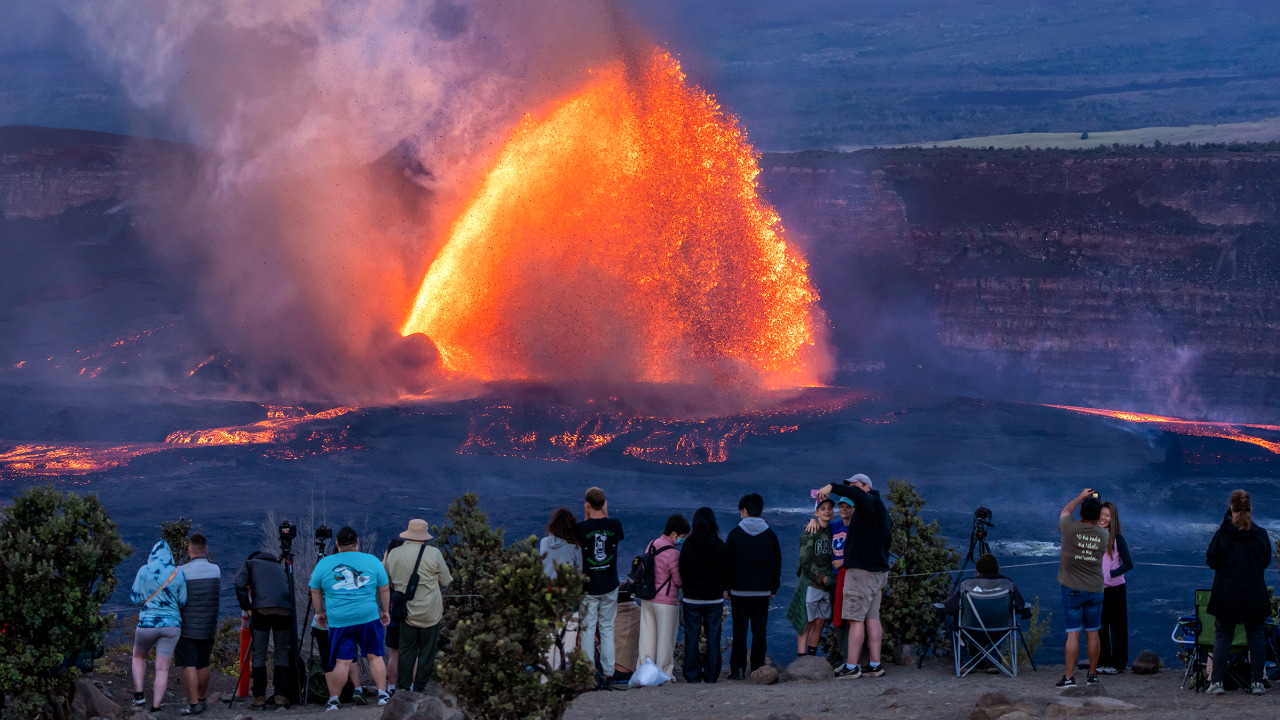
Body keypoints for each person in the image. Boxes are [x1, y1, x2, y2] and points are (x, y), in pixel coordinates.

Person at [309, 526, 392, 710]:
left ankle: (334, 700)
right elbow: (384, 588)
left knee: (343, 661)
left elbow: (314, 589)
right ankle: (382, 694)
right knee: (374, 656)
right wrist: (384, 610)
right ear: (358, 543)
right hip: (368, 617)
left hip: (339, 620)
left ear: (337, 544)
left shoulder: (324, 564)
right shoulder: (371, 561)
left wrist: (320, 612)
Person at [818, 474, 891, 679]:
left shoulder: (869, 502)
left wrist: (831, 485)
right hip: (878, 571)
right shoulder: (880, 510)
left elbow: (855, 494)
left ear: (867, 487)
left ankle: (852, 666)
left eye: (856, 486)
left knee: (855, 618)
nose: (853, 489)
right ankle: (875, 664)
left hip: (861, 572)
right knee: (872, 617)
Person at [1206, 489, 1271, 696]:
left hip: (1227, 595)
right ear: (1251, 509)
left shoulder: (1223, 534)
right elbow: (1266, 560)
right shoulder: (1260, 534)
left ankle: (1216, 683)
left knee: (1223, 636)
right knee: (1257, 637)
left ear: (1231, 509)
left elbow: (1211, 561)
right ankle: (1257, 683)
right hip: (1254, 594)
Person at [385, 519, 452, 693]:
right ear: (425, 536)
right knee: (427, 652)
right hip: (431, 611)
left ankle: (402, 687)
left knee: (406, 651)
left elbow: (388, 582)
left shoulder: (394, 554)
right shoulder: (434, 553)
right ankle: (420, 687)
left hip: (406, 611)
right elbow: (445, 580)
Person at [724, 493, 782, 680]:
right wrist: (773, 587)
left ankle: (737, 670)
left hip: (739, 590)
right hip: (762, 591)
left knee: (739, 631)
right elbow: (776, 563)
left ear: (745, 511)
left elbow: (727, 563)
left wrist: (727, 587)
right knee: (760, 631)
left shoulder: (734, 534)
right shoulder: (770, 535)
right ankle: (758, 668)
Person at [1055, 488, 1109, 688]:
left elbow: (1065, 512)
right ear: (1097, 517)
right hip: (1095, 589)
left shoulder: (1069, 527)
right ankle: (1093, 675)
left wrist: (1080, 496)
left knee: (1073, 633)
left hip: (1072, 589)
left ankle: (1070, 677)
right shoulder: (1103, 535)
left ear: (1081, 513)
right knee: (1093, 632)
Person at [129, 540, 187, 712]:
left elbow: (135, 598)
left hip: (147, 624)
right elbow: (183, 602)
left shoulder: (144, 571)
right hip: (171, 626)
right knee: (162, 668)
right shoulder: (178, 572)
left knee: (138, 656)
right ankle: (156, 707)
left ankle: (139, 697)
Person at [576, 487, 624, 690]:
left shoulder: (580, 528)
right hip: (610, 583)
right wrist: (604, 513)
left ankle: (588, 675)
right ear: (604, 503)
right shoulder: (615, 524)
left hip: (588, 585)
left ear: (587, 504)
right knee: (607, 629)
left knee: (587, 630)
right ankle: (609, 673)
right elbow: (613, 534)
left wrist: (588, 515)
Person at [235, 548, 295, 707]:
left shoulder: (250, 564)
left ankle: (259, 697)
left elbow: (239, 584)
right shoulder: (279, 566)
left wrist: (247, 607)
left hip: (261, 610)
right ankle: (280, 695)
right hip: (283, 610)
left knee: (260, 653)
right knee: (281, 652)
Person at [678, 507, 727, 683]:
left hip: (692, 597)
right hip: (714, 598)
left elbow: (682, 569)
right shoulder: (719, 545)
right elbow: (725, 571)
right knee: (713, 636)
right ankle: (712, 674)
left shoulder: (688, 545)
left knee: (692, 635)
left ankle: (691, 674)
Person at [637, 513, 689, 677]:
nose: (681, 540)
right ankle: (664, 672)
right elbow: (679, 581)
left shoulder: (651, 545)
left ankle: (644, 671)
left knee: (647, 638)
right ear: (674, 534)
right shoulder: (674, 554)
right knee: (665, 640)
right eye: (681, 537)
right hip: (666, 602)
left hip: (648, 598)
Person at [175, 534, 221, 715]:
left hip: (187, 627)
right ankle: (202, 700)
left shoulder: (181, 571)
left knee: (189, 664)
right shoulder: (215, 570)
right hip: (209, 625)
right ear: (206, 549)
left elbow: (178, 599)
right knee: (203, 663)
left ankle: (193, 704)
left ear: (189, 549)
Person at [788, 497, 836, 657]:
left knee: (820, 622)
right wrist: (822, 578)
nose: (827, 511)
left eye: (830, 508)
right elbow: (805, 561)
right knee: (806, 622)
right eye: (823, 509)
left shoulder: (832, 531)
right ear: (816, 512)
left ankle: (812, 656)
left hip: (827, 585)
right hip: (812, 583)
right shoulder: (810, 531)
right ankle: (802, 659)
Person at [540, 508, 582, 671]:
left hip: (548, 598)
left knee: (548, 640)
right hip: (568, 600)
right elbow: (580, 573)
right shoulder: (575, 548)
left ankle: (546, 677)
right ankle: (563, 677)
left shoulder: (543, 543)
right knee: (568, 641)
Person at [1097, 501, 1133, 675]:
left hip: (1116, 589)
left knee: (1117, 626)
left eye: (1107, 515)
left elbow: (1128, 563)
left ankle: (1118, 663)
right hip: (1097, 589)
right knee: (1100, 627)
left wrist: (1113, 573)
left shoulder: (1118, 538)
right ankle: (1103, 660)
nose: (1103, 518)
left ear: (1113, 519)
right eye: (1101, 514)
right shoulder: (1094, 535)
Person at [829, 495, 855, 659]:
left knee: (852, 618)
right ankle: (842, 654)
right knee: (838, 618)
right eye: (841, 506)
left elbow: (861, 551)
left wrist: (843, 561)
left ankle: (851, 658)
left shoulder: (857, 528)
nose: (844, 509)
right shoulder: (835, 526)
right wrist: (812, 522)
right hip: (836, 579)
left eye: (848, 506)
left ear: (854, 509)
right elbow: (820, 526)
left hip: (851, 578)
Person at [381, 538, 406, 695]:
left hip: (392, 616)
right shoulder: (408, 567)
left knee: (394, 654)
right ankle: (409, 687)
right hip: (410, 614)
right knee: (413, 652)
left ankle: (391, 687)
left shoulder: (385, 568)